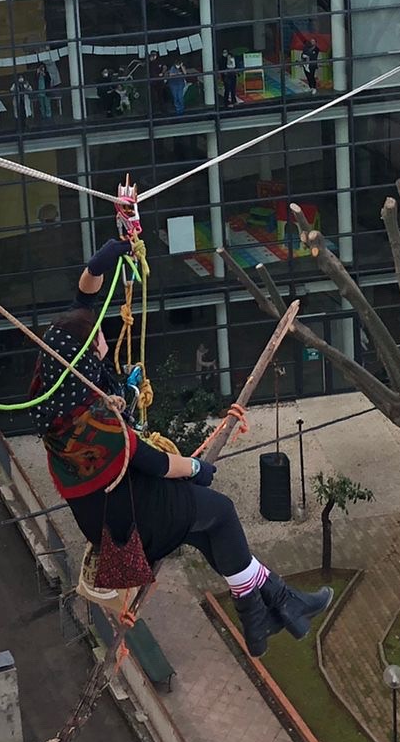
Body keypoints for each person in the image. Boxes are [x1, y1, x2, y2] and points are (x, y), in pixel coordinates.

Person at [33, 240, 332, 656]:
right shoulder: (93, 422)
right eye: (98, 335)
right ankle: (272, 607)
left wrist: (103, 258)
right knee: (219, 510)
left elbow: (85, 297)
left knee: (208, 528)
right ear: (85, 353)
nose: (104, 335)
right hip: (132, 521)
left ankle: (266, 616)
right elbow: (151, 461)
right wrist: (195, 469)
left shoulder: (64, 395)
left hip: (116, 512)